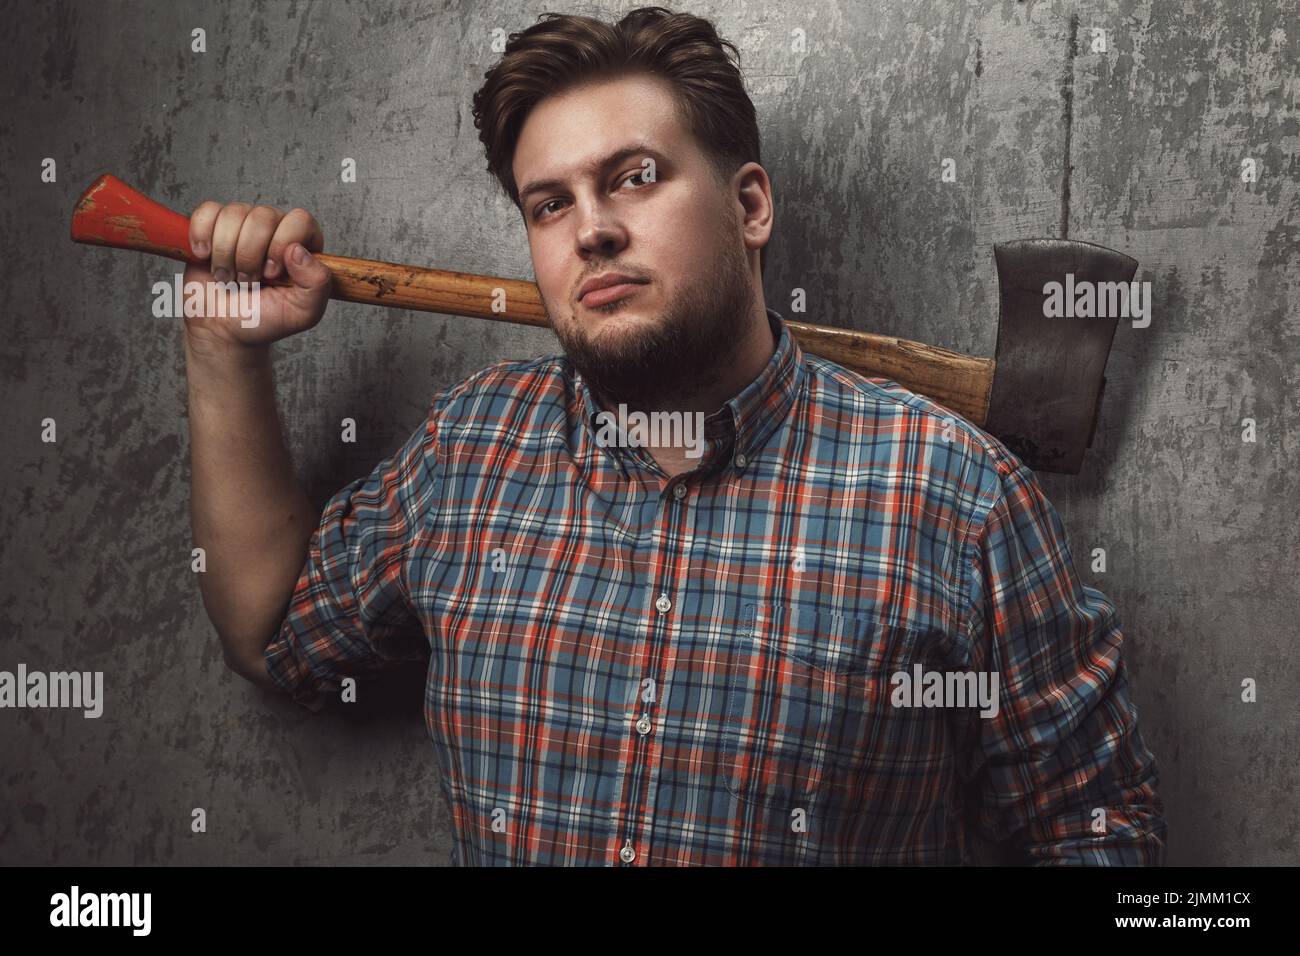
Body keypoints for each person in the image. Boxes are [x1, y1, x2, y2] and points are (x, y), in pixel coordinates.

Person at [184, 6, 1166, 865]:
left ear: (748, 205)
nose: (591, 229)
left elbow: (1095, 824)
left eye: (635, 177)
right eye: (549, 203)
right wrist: (222, 347)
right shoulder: (470, 450)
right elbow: (272, 631)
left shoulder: (955, 495)